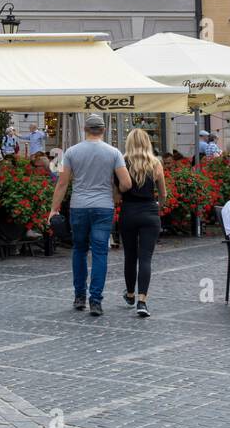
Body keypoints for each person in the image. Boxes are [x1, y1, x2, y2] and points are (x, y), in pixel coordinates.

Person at [48, 114, 131, 317]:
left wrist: (53, 209)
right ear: (102, 130)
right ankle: (96, 301)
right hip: (103, 206)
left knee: (79, 250)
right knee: (100, 252)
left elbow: (62, 183)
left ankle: (79, 297)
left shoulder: (72, 152)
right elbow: (127, 183)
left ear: (85, 130)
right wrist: (115, 190)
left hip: (79, 206)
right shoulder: (114, 153)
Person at [117, 129, 166, 318]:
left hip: (128, 211)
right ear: (148, 143)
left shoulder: (122, 161)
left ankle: (129, 294)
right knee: (146, 258)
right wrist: (157, 208)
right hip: (149, 212)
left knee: (130, 256)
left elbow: (117, 194)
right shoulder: (155, 163)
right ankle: (142, 301)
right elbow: (163, 194)